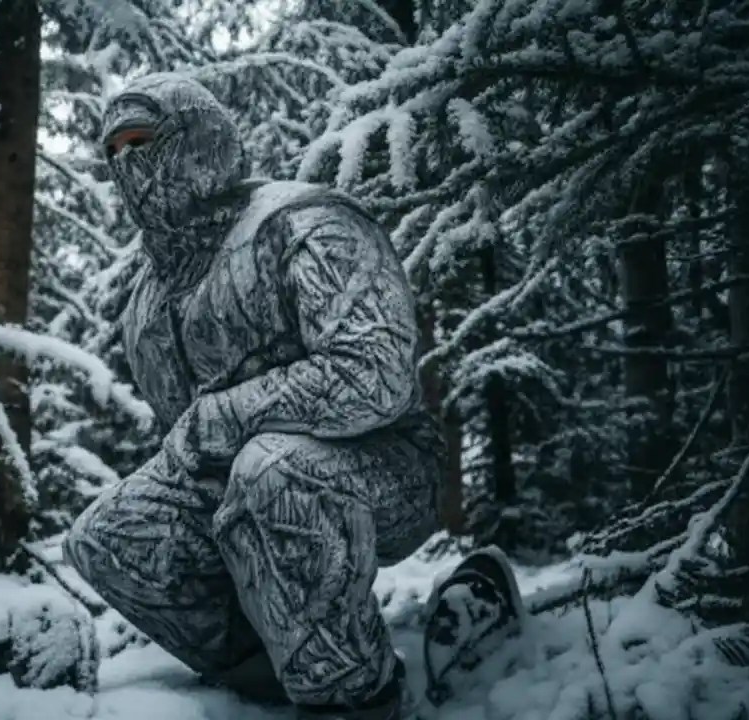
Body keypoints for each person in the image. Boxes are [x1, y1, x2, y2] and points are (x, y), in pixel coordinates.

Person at [63, 73, 524, 720]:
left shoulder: (302, 220)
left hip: (386, 467)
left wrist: (226, 416)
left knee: (273, 471)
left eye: (142, 140)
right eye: (113, 151)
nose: (128, 163)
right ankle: (295, 670)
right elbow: (185, 439)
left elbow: (376, 373)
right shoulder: (146, 303)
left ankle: (360, 703)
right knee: (105, 537)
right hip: (241, 487)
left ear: (199, 138)